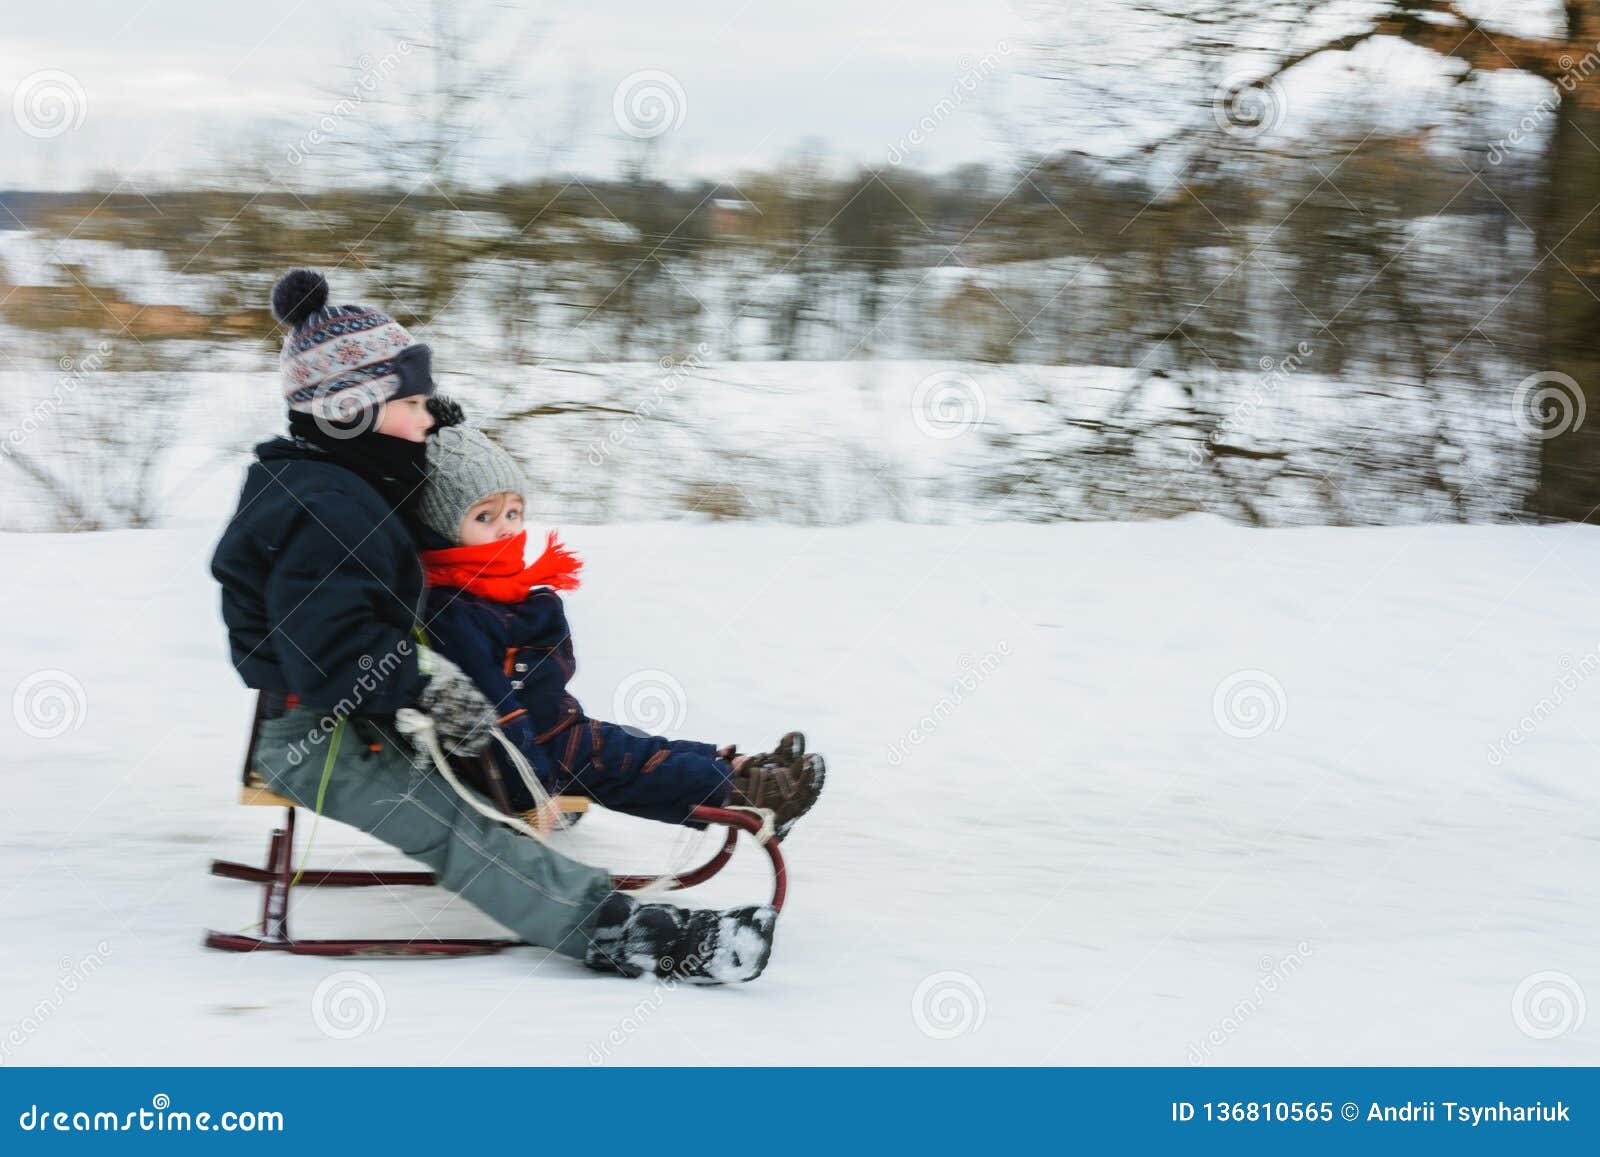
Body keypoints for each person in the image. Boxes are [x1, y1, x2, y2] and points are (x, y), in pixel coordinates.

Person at [209, 268, 774, 982]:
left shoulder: (342, 479)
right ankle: (617, 933)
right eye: (411, 403)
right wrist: (428, 686)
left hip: (357, 715)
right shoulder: (327, 507)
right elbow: (330, 645)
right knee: (452, 826)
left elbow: (428, 505)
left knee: (522, 737)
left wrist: (436, 424)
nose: (423, 419)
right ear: (351, 412)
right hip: (315, 737)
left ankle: (602, 789)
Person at [414, 421, 827, 839]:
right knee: (629, 764)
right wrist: (532, 795)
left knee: (637, 746)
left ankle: (742, 767)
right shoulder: (453, 611)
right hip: (531, 754)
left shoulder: (499, 590)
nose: (505, 528)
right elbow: (495, 713)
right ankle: (747, 797)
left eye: (513, 513)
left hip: (554, 729)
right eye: (485, 516)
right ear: (444, 527)